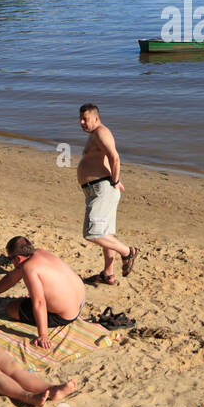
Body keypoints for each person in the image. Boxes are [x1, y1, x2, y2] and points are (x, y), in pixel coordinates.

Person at [0, 236, 86, 350]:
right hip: (80, 302)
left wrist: (43, 335)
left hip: (65, 316)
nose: (11, 263)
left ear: (18, 259)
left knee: (11, 308)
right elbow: (11, 278)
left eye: (10, 259)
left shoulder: (29, 268)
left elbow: (39, 302)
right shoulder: (40, 252)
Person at [76, 103, 138, 285]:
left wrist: (115, 181)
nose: (81, 122)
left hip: (102, 189)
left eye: (85, 119)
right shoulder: (94, 135)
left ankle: (128, 252)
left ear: (96, 118)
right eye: (80, 119)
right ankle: (108, 274)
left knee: (92, 233)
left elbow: (115, 157)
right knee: (106, 234)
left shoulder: (102, 132)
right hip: (96, 190)